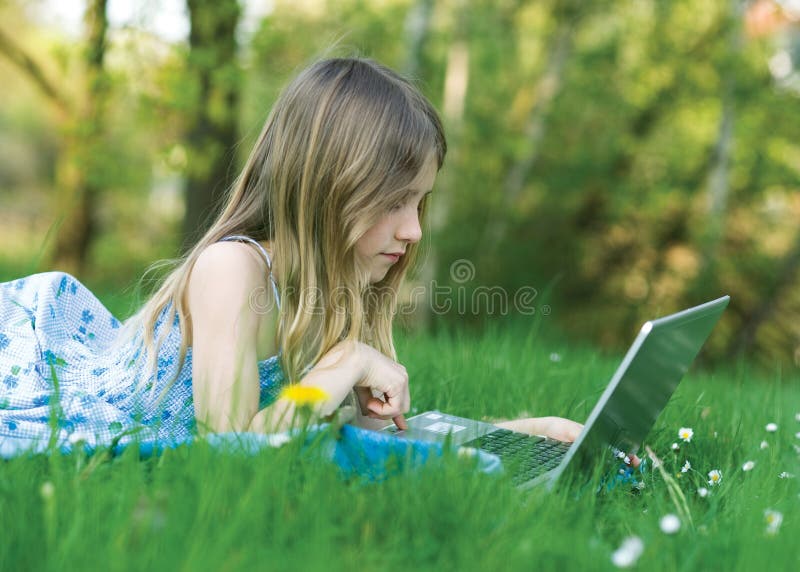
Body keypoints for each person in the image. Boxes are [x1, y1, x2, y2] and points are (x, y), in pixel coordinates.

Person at [0, 56, 583, 458]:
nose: (413, 231)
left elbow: (362, 446)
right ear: (330, 186)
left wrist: (528, 434)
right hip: (35, 373)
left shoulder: (336, 294)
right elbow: (230, 449)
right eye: (396, 202)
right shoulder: (234, 270)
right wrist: (344, 365)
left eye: (420, 204)